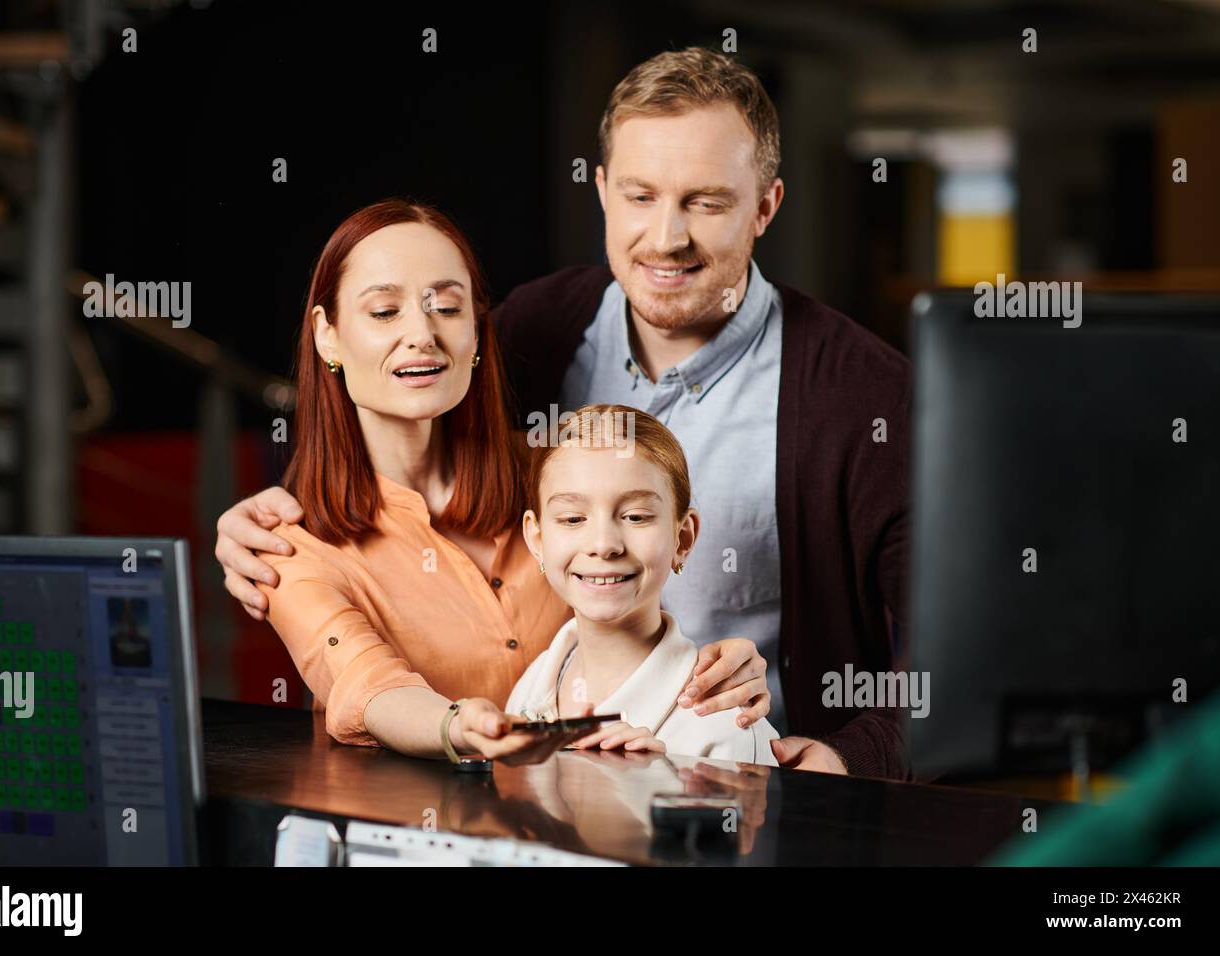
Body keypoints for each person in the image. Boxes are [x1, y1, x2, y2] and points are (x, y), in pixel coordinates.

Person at [218, 47, 911, 778]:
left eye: (706, 202)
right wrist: (274, 513)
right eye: (642, 196)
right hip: (551, 804)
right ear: (604, 191)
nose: (667, 238)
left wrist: (847, 757)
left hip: (759, 804)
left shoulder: (865, 396)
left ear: (766, 206)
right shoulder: (536, 336)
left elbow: (970, 657)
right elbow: (401, 425)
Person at [252, 198, 767, 763]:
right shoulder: (289, 545)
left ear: (476, 328)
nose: (422, 333)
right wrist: (463, 727)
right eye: (384, 312)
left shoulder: (560, 470)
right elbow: (366, 682)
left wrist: (722, 667)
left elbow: (652, 579)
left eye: (446, 307)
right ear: (328, 336)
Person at [508, 404, 781, 765]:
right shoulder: (530, 688)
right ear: (537, 539)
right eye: (573, 518)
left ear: (682, 539)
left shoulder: (726, 727)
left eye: (636, 517)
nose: (604, 544)